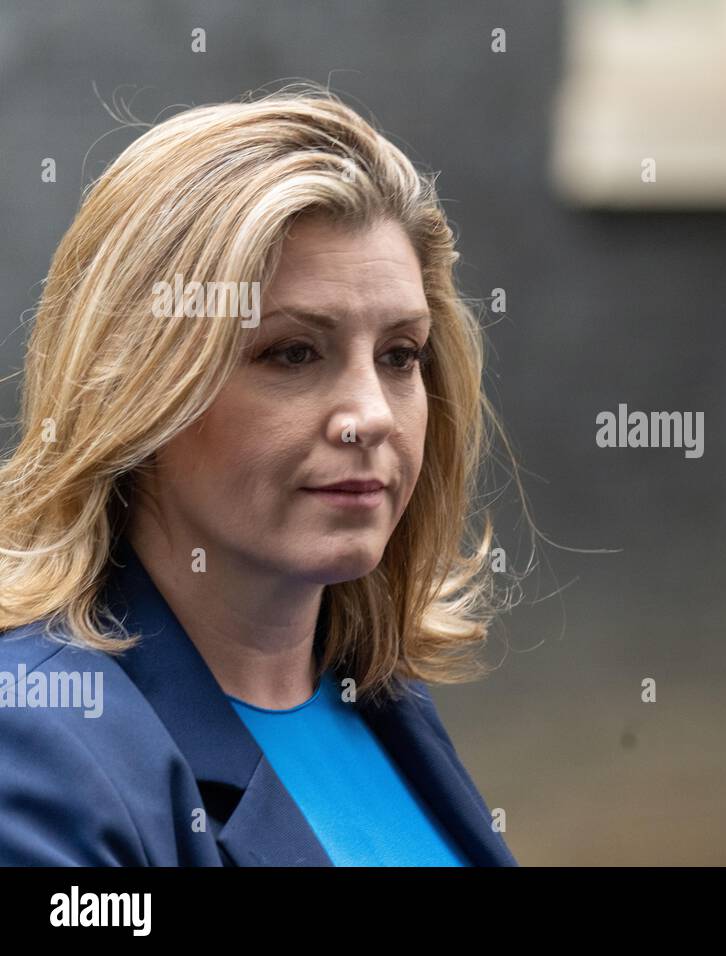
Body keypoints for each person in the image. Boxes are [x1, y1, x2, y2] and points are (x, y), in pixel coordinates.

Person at [0, 85, 523, 866]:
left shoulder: (376, 698)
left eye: (400, 355)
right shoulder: (38, 742)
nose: (371, 415)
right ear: (139, 388)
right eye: (292, 353)